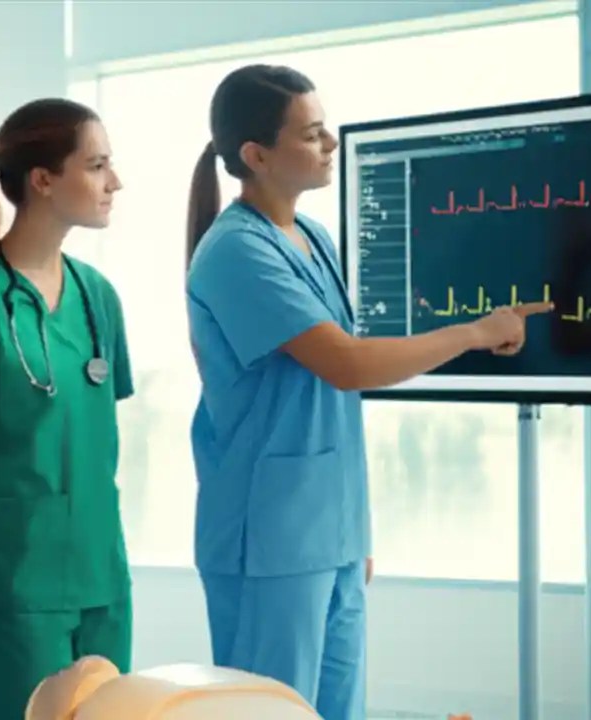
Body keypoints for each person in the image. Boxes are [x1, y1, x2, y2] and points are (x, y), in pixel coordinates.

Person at [183, 64, 552, 720]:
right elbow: (347, 366)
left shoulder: (314, 238)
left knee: (338, 710)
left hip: (331, 530)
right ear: (256, 155)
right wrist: (472, 332)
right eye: (313, 135)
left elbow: (332, 404)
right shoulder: (235, 252)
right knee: (273, 711)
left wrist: (354, 532)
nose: (330, 146)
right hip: (267, 536)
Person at [0, 98, 133, 720]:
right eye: (96, 166)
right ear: (42, 180)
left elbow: (92, 446)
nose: (113, 181)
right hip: (9, 586)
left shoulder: (98, 299)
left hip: (102, 582)